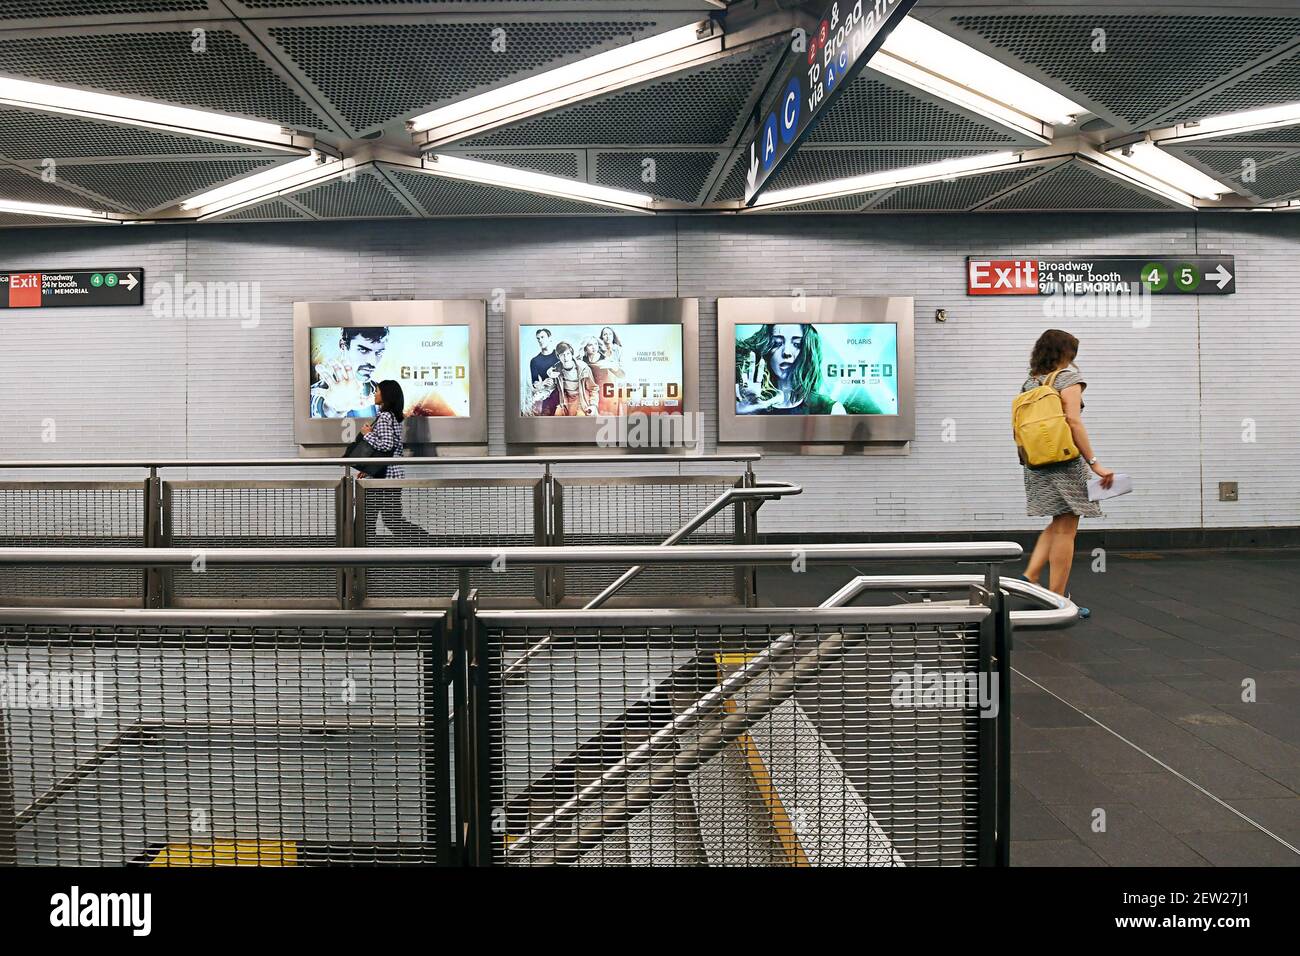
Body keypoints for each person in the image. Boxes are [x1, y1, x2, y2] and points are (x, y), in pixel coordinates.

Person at [1019, 330, 1114, 618]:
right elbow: (1073, 421)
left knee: (1058, 519)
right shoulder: (1068, 379)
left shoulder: (1030, 383)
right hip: (1065, 460)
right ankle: (1058, 601)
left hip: (1036, 461)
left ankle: (1031, 574)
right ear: (1066, 353)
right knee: (1067, 528)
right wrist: (1095, 463)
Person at [357, 380, 425, 540]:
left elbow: (386, 446)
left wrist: (367, 434)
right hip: (388, 475)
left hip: (384, 477)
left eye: (377, 391)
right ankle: (424, 541)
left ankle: (425, 541)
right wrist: (368, 468)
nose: (374, 394)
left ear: (386, 395)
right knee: (383, 519)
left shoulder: (385, 417)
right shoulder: (391, 416)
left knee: (371, 519)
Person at [735, 323, 846, 415]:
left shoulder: (831, 410)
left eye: (797, 344)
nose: (786, 352)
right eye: (777, 343)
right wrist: (743, 414)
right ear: (766, 347)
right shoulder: (749, 405)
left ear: (807, 351)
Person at [311, 326, 388, 417]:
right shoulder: (315, 392)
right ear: (343, 346)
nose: (373, 362)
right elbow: (322, 409)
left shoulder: (382, 391)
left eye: (379, 353)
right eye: (363, 350)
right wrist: (335, 409)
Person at [530, 341, 597, 416]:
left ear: (572, 354)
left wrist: (593, 405)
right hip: (565, 402)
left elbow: (593, 389)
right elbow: (550, 388)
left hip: (581, 401)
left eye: (568, 354)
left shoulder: (583, 368)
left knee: (580, 417)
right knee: (557, 417)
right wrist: (540, 394)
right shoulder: (557, 370)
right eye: (562, 355)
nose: (565, 357)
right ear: (558, 357)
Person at [529, 328, 561, 416]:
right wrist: (543, 383)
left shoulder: (560, 355)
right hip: (548, 395)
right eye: (538, 338)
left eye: (542, 337)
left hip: (564, 392)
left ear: (550, 338)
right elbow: (534, 383)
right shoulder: (535, 361)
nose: (540, 340)